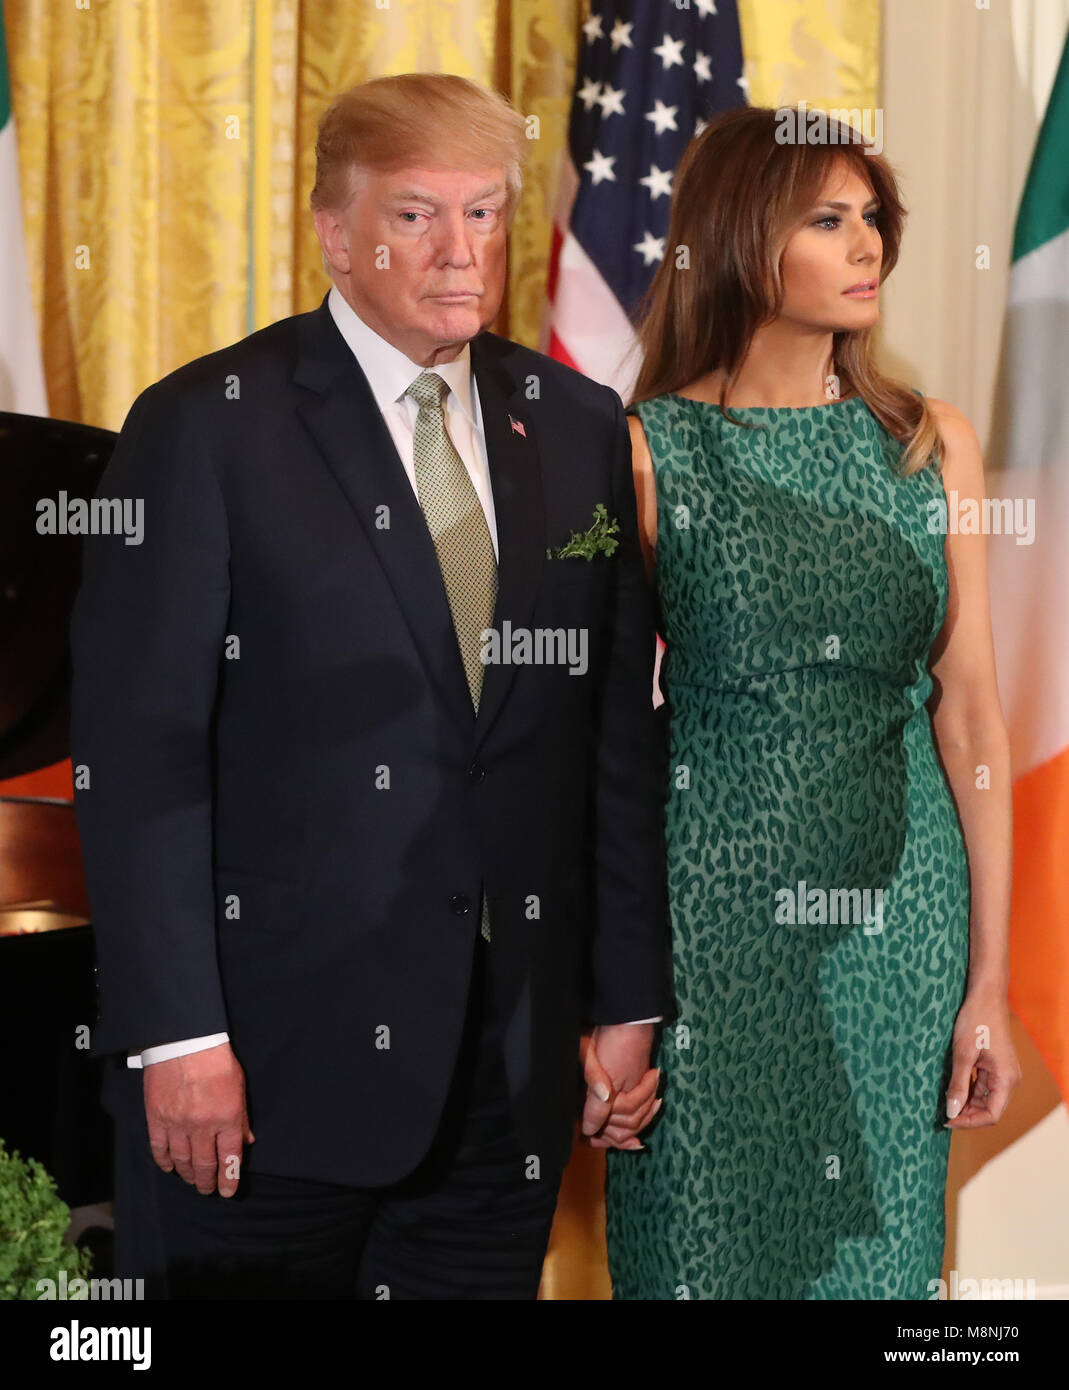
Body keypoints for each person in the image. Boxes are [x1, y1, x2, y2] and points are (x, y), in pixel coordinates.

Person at [70, 72, 675, 1301]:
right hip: (257, 1084)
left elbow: (605, 739)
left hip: (502, 1086)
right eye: (414, 216)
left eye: (486, 213)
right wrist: (181, 1037)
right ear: (333, 233)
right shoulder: (206, 428)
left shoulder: (576, 425)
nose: (460, 251)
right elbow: (142, 761)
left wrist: (625, 995)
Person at [603, 107, 1021, 1299]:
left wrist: (988, 982)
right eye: (829, 220)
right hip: (709, 933)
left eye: (873, 220)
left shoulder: (933, 443)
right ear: (741, 240)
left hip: (900, 927)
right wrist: (612, 990)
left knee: (875, 1268)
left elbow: (975, 720)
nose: (868, 246)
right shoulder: (643, 450)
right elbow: (603, 743)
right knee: (701, 1253)